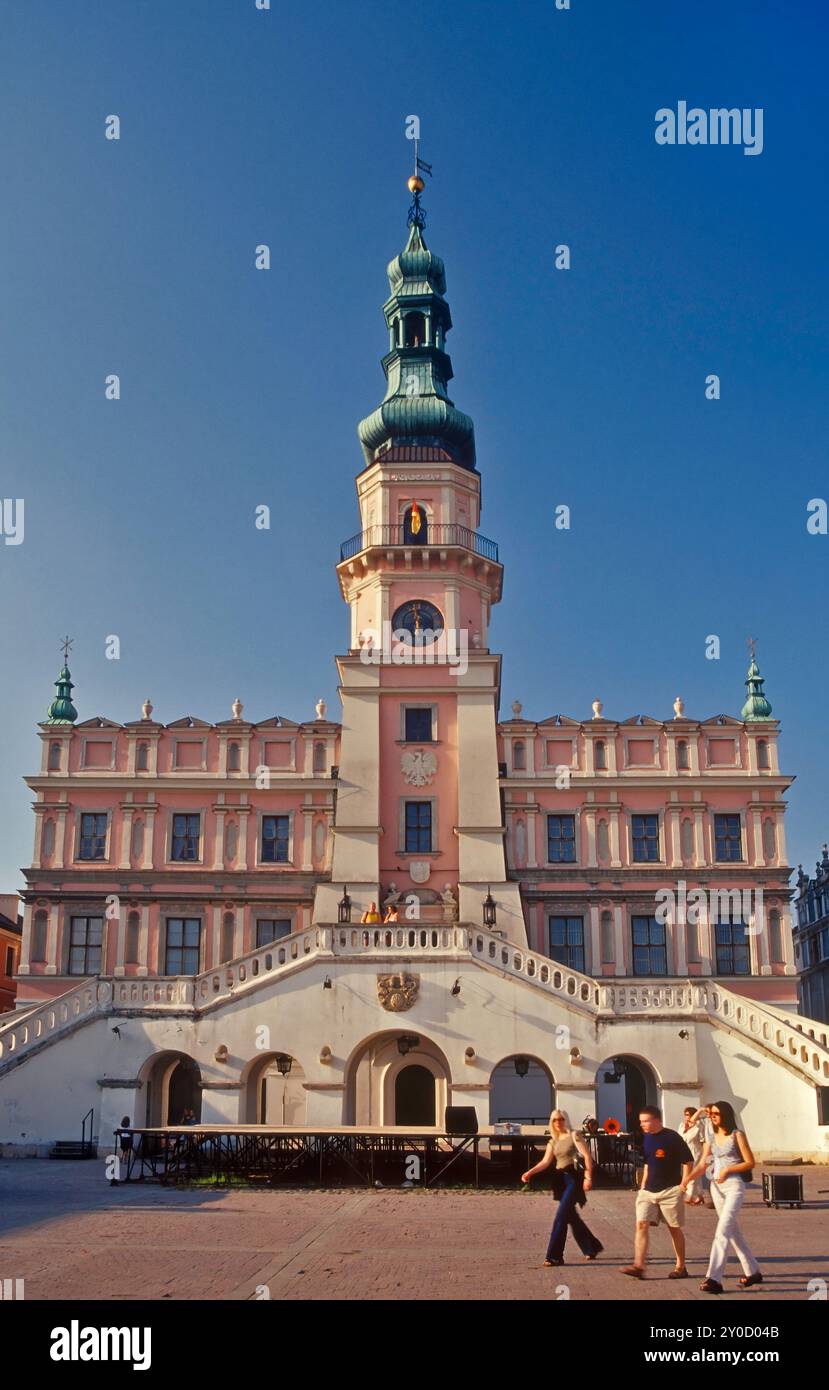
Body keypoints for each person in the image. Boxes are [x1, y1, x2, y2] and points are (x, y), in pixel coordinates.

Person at [681, 1100, 762, 1294]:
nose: (712, 1117)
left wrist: (728, 1170)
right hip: (716, 1188)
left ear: (725, 1114)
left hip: (734, 1185)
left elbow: (750, 1162)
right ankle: (753, 1271)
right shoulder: (711, 1135)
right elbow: (702, 1163)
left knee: (722, 1231)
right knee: (732, 1231)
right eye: (711, 1114)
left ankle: (713, 1278)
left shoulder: (737, 1135)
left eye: (716, 1114)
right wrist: (687, 1180)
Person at [521, 1109, 604, 1265]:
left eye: (561, 1119)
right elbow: (545, 1162)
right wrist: (529, 1172)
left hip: (573, 1179)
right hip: (560, 1181)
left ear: (566, 1120)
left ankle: (554, 1256)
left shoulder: (575, 1135)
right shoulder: (553, 1141)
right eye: (554, 1120)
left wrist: (588, 1177)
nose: (558, 1122)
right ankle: (591, 1246)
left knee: (561, 1216)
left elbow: (587, 1156)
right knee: (570, 1216)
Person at [621, 1106, 693, 1280]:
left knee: (673, 1228)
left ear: (657, 1120)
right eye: (641, 1121)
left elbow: (688, 1160)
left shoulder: (672, 1137)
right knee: (641, 1224)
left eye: (645, 1121)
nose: (642, 1124)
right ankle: (639, 1265)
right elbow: (648, 1162)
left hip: (670, 1190)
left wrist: (684, 1184)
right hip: (648, 1191)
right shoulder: (646, 1139)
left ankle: (680, 1266)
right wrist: (643, 1184)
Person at [681, 1107, 705, 1205]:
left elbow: (702, 1139)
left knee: (692, 1173)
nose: (686, 1117)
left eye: (688, 1115)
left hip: (695, 1150)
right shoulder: (682, 1125)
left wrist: (699, 1111)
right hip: (685, 1150)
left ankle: (689, 1195)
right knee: (694, 1174)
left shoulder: (699, 1125)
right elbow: (681, 1137)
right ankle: (699, 1195)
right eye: (685, 1115)